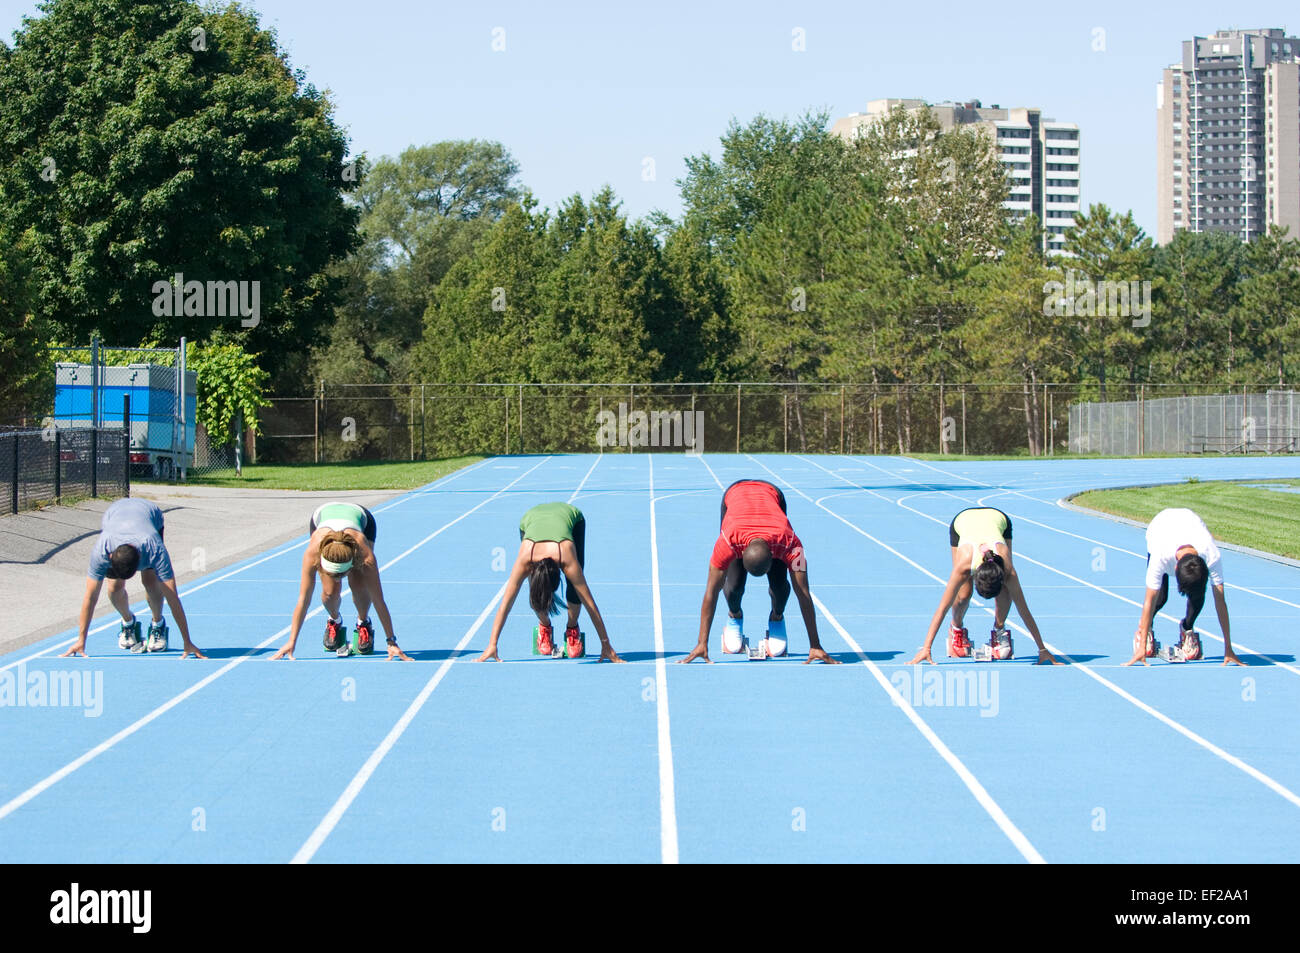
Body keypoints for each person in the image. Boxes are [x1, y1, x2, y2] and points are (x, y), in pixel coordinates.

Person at [683, 479, 838, 664]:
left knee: (780, 586)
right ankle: (734, 616)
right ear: (740, 553)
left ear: (774, 555)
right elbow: (711, 590)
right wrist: (702, 643)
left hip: (773, 495)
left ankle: (777, 617)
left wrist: (815, 645)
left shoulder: (790, 543)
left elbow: (803, 592)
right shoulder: (727, 541)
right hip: (734, 495)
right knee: (733, 586)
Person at [910, 506, 1058, 665]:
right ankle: (956, 628)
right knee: (964, 593)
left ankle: (999, 630)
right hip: (963, 521)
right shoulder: (964, 564)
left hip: (998, 518)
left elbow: (1024, 610)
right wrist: (926, 648)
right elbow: (942, 608)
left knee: (1007, 590)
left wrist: (1042, 649)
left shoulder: (1007, 569)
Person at [61, 497, 206, 658]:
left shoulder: (153, 548)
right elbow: (90, 597)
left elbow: (172, 596)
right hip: (115, 512)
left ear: (143, 558)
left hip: (150, 514)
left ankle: (158, 624)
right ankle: (128, 622)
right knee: (114, 587)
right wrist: (81, 640)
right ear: (110, 557)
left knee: (150, 581)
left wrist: (187, 641)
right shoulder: (102, 550)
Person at [478, 502, 622, 662]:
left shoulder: (567, 557)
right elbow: (506, 604)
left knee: (575, 588)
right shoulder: (524, 559)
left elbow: (590, 604)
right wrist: (492, 644)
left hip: (572, 520)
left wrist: (606, 645)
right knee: (536, 591)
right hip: (531, 518)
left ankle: (572, 627)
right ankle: (544, 625)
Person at [271, 502, 410, 660]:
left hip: (363, 521)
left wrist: (391, 642)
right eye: (334, 574)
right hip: (323, 516)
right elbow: (304, 599)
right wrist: (291, 641)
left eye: (342, 574)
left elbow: (378, 599)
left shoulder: (365, 554)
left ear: (352, 562)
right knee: (330, 592)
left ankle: (363, 622)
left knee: (359, 585)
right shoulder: (312, 553)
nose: (339, 579)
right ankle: (334, 620)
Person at [1126, 507, 1242, 666]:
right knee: (1160, 598)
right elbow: (1149, 600)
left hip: (1189, 522)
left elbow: (1220, 601)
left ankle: (1187, 627)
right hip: (1160, 526)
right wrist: (1140, 648)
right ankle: (1145, 631)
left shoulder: (1211, 554)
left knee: (1198, 595)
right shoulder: (1160, 555)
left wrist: (1228, 648)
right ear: (1174, 569)